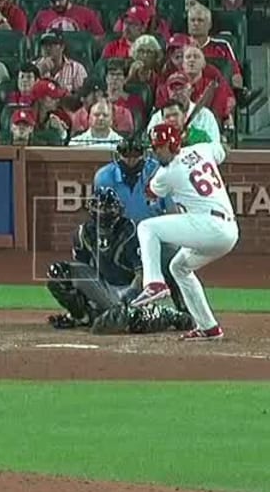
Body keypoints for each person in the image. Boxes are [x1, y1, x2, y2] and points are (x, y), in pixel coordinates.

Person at [128, 122, 234, 341]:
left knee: (147, 227)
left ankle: (154, 283)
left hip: (208, 225)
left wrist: (156, 179)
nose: (156, 151)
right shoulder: (203, 149)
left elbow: (150, 193)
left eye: (160, 147)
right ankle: (209, 327)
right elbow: (223, 149)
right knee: (179, 267)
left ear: (173, 143)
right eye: (155, 147)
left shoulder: (167, 173)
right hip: (227, 231)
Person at [45, 187, 192, 334]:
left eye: (108, 211)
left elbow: (142, 274)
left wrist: (129, 299)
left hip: (132, 290)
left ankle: (172, 316)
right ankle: (83, 317)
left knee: (135, 320)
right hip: (105, 286)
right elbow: (82, 270)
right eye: (100, 211)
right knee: (59, 273)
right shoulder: (83, 233)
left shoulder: (130, 231)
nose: (103, 214)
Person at [31, 0, 104, 36]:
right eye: (53, 1)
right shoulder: (42, 16)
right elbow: (30, 41)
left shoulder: (86, 14)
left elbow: (100, 38)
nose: (57, 4)